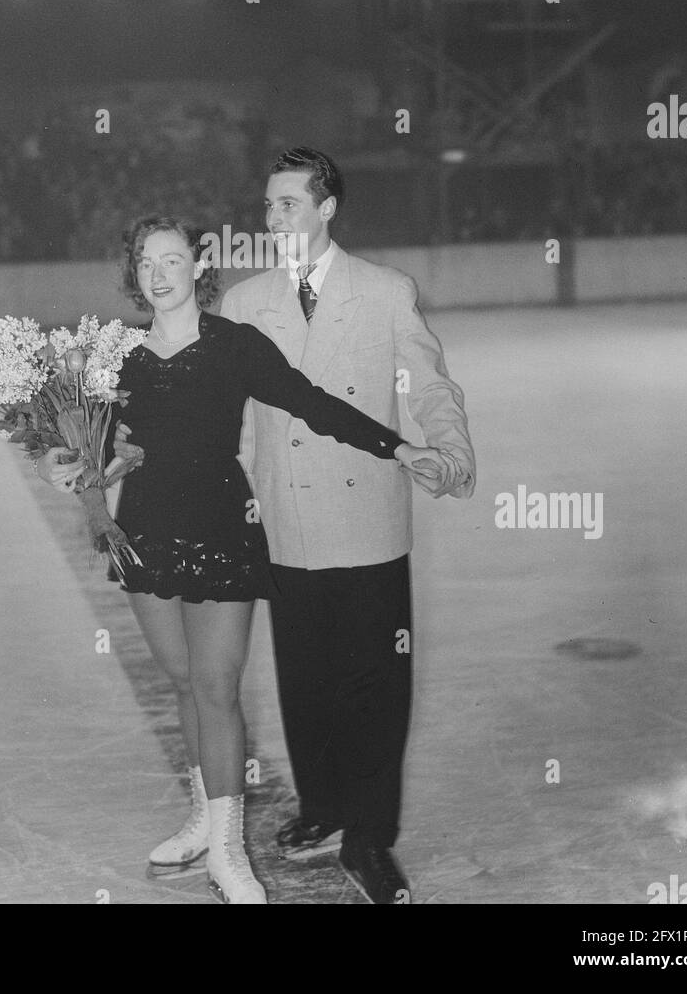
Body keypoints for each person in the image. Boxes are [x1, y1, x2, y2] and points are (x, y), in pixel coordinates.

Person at [37, 214, 437, 906]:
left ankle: (228, 851)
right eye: (145, 264)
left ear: (198, 266)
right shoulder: (116, 355)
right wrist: (63, 462)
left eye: (170, 261)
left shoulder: (234, 345)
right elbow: (93, 449)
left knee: (217, 689)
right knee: (184, 683)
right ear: (133, 277)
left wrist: (396, 448)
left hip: (222, 528)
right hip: (145, 533)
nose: (158, 275)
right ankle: (201, 820)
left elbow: (312, 404)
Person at [215, 146, 476, 905]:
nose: (272, 219)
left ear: (326, 208)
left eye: (287, 204)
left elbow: (427, 385)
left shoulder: (385, 291)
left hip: (365, 518)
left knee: (372, 682)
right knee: (303, 680)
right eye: (266, 206)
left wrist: (449, 448)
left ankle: (367, 835)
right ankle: (322, 805)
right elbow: (225, 420)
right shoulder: (242, 302)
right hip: (285, 519)